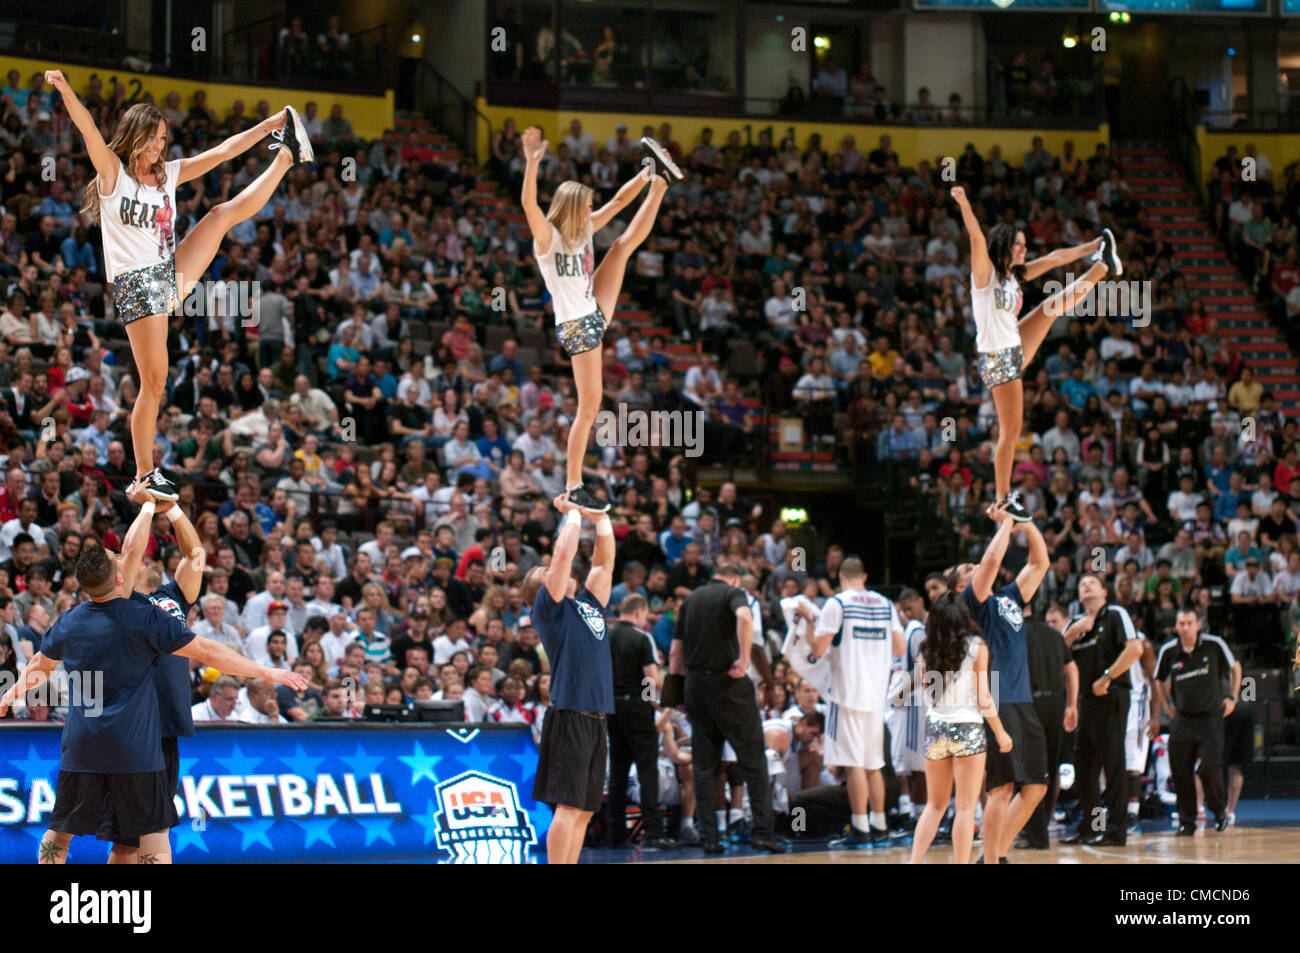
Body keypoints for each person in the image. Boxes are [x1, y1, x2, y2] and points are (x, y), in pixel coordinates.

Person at [46, 68, 313, 501]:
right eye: (153, 138)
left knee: (219, 215)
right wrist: (65, 89)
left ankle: (285, 156)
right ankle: (145, 473)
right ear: (135, 135)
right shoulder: (114, 175)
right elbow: (88, 128)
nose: (159, 146)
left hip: (168, 275)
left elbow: (223, 152)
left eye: (164, 139)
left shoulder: (168, 174)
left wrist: (265, 127)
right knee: (154, 384)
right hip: (136, 285)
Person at [0, 542, 305, 864]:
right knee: (153, 837)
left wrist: (9, 695)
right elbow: (208, 651)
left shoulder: (68, 620)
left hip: (82, 745)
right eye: (118, 559)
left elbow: (38, 666)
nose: (124, 558)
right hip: (134, 749)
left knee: (59, 834)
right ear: (120, 578)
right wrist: (265, 670)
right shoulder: (143, 617)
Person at [519, 125, 681, 511]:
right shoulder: (548, 239)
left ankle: (660, 184)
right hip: (578, 326)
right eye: (588, 205)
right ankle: (574, 483)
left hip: (592, 309)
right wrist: (530, 164)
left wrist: (646, 174)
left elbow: (620, 201)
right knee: (589, 408)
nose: (593, 209)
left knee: (622, 247)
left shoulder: (585, 228)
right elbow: (529, 206)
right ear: (573, 207)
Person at [949, 184, 1119, 521]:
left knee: (1052, 306)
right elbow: (977, 240)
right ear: (1005, 247)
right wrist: (965, 204)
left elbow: (1055, 258)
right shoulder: (985, 278)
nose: (1025, 252)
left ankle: (1102, 266)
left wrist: (1094, 245)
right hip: (999, 359)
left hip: (1014, 346)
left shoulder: (1015, 276)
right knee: (1011, 431)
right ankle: (1001, 499)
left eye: (1026, 247)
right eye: (1020, 246)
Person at [947, 499, 1051, 864]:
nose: (974, 566)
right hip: (994, 700)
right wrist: (1005, 521)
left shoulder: (1008, 597)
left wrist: (1025, 522)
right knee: (1001, 788)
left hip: (1023, 700)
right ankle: (991, 861)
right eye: (966, 568)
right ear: (961, 584)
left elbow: (1040, 563)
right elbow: (991, 562)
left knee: (1036, 786)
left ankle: (993, 855)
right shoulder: (968, 602)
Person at [519, 493, 615, 864]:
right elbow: (562, 557)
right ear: (540, 590)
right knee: (568, 806)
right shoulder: (547, 608)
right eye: (544, 574)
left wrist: (601, 519)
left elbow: (604, 565)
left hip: (596, 717)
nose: (553, 569)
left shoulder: (588, 604)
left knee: (585, 810)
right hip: (570, 713)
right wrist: (573, 514)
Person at [669, 561, 789, 854]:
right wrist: (744, 659)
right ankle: (762, 832)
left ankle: (709, 838)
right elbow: (745, 618)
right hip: (728, 682)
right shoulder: (734, 594)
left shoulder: (690, 601)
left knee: (704, 766)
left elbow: (675, 652)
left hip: (696, 684)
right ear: (734, 578)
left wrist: (677, 694)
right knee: (753, 760)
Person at [809, 557, 905, 849]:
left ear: (840, 577)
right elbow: (899, 648)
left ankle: (860, 828)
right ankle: (880, 826)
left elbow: (817, 649)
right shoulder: (885, 604)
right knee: (873, 764)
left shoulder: (837, 604)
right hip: (876, 695)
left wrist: (812, 622)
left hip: (847, 694)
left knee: (853, 766)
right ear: (864, 576)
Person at [908, 591, 1011, 864]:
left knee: (935, 805)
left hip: (936, 727)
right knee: (965, 808)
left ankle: (913, 862)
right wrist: (1000, 732)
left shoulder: (925, 649)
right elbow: (984, 696)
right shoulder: (976, 645)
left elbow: (929, 692)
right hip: (968, 727)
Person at [1061, 573, 1145, 847]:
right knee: (1084, 769)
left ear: (1104, 592)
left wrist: (1107, 676)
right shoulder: (1074, 623)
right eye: (1081, 584)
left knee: (1113, 764)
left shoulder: (1115, 614)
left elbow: (1135, 649)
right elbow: (1059, 657)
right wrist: (1073, 632)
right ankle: (1091, 827)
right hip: (1085, 701)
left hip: (1112, 696)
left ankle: (1116, 831)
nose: (1085, 586)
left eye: (1091, 583)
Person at [1150, 608, 1242, 836]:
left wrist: (1233, 697)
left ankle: (1219, 811)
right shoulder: (1169, 650)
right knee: (1180, 771)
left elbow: (1236, 668)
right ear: (1176, 626)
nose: (1185, 627)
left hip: (1211, 718)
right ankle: (1187, 821)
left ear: (1198, 625)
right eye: (1181, 623)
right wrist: (1167, 706)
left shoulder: (1214, 644)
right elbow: (1159, 680)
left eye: (1189, 623)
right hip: (1182, 719)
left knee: (1209, 768)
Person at [606, 592, 673, 850]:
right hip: (636, 706)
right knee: (647, 771)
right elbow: (651, 679)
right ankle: (653, 834)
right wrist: (651, 700)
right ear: (638, 612)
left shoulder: (605, 636)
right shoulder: (641, 637)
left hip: (611, 706)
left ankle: (616, 834)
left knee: (618, 774)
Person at [1016, 601, 1078, 850]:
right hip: (1056, 704)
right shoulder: (1054, 634)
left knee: (1029, 770)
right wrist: (1071, 704)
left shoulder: (1014, 634)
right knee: (1049, 769)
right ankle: (1042, 825)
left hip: (1028, 706)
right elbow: (1071, 669)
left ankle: (1035, 833)